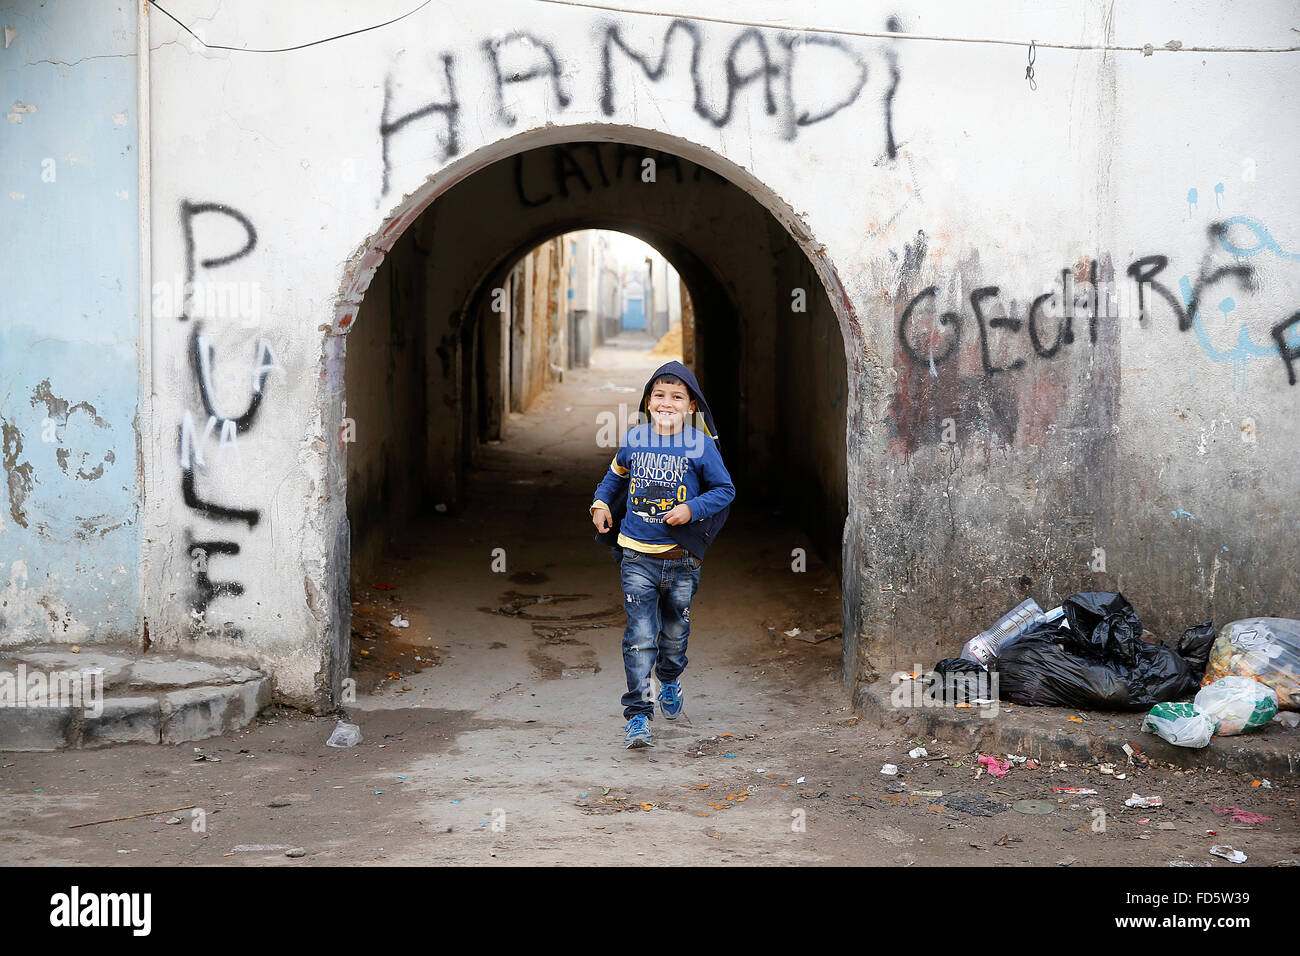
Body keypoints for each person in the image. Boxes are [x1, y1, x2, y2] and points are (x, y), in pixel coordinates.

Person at [588, 361, 735, 749]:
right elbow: (614, 476)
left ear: (690, 406)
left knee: (674, 633)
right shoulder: (635, 439)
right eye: (659, 395)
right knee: (639, 635)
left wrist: (692, 509)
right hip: (637, 555)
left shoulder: (700, 446)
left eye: (676, 396)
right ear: (648, 401)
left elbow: (724, 490)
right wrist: (601, 504)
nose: (666, 402)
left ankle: (669, 678)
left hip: (681, 558)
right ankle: (638, 715)